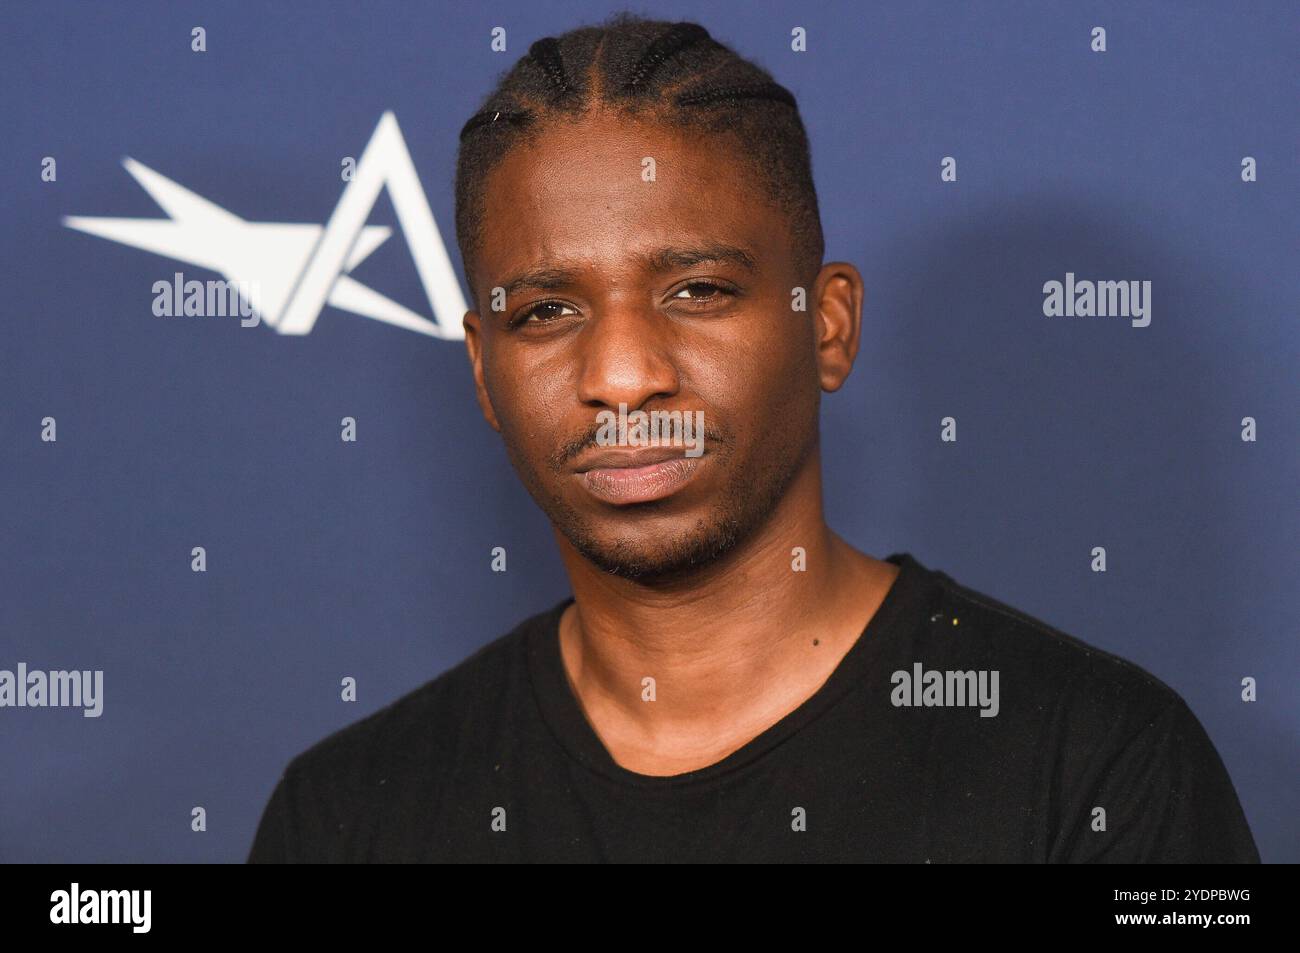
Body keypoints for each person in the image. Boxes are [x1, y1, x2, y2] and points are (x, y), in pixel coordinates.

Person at [248, 13, 1259, 863]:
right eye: (547, 312)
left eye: (696, 291)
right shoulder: (345, 818)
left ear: (827, 325)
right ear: (482, 370)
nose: (621, 375)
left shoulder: (1099, 766)